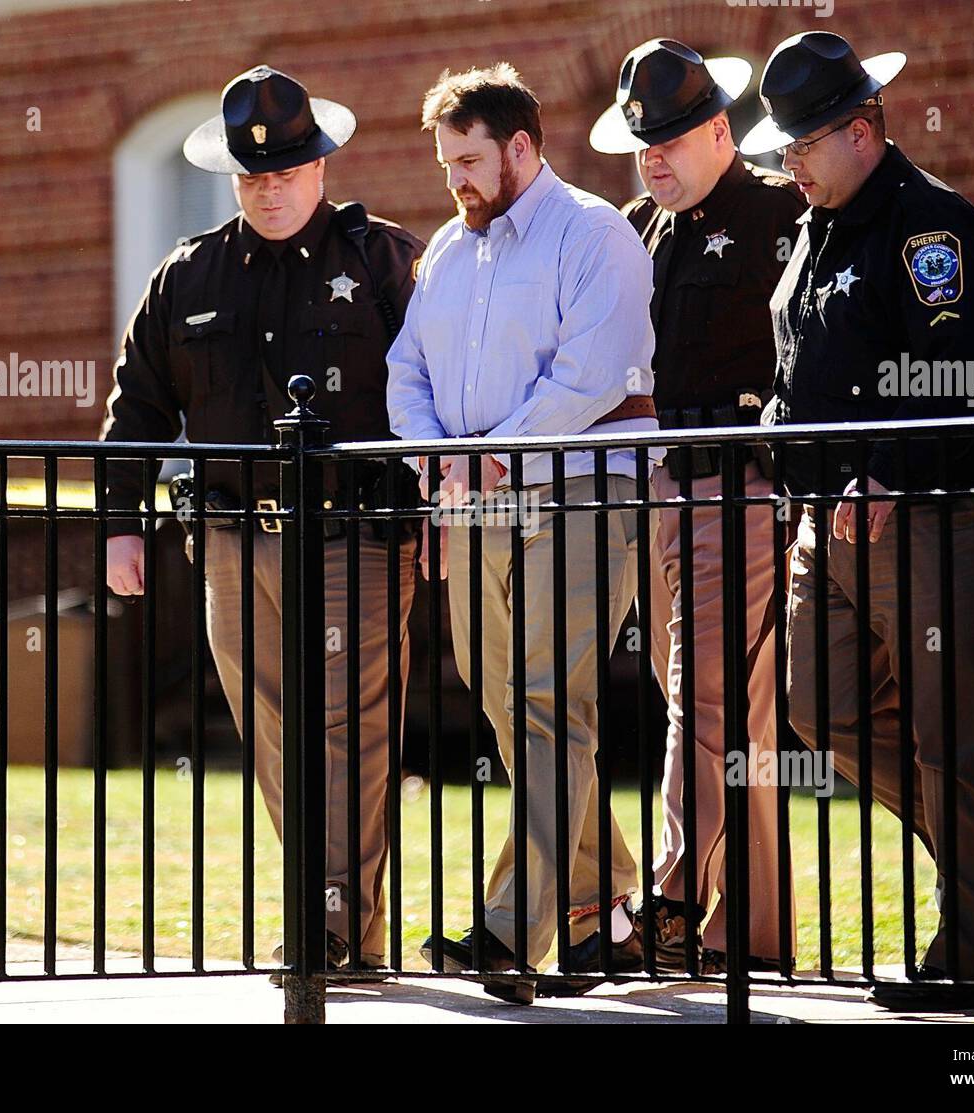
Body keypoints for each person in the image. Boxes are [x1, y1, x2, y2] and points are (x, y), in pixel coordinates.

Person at [100, 65, 425, 976]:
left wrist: (440, 504)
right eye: (252, 176)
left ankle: (329, 925)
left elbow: (436, 392)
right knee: (276, 734)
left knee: (353, 731)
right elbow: (138, 407)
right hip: (231, 544)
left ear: (320, 165)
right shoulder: (188, 276)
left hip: (357, 537)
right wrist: (121, 522)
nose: (268, 190)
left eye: (284, 172)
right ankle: (343, 928)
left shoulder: (382, 262)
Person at [739, 31, 974, 1009]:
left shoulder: (930, 227)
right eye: (784, 147)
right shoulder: (816, 228)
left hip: (935, 514)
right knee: (819, 709)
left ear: (860, 132)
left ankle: (968, 956)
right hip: (824, 521)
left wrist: (888, 471)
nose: (789, 164)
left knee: (950, 730)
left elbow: (966, 376)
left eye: (801, 145)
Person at [387, 63, 658, 1004]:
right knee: (504, 698)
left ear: (521, 148)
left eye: (468, 161)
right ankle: (602, 901)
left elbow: (594, 373)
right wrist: (440, 463)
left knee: (547, 700)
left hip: (580, 489)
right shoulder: (446, 253)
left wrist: (492, 456)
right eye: (445, 164)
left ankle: (511, 930)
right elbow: (407, 372)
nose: (455, 180)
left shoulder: (594, 232)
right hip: (476, 503)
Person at [592, 38, 806, 976]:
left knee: (704, 695)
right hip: (658, 489)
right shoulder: (635, 228)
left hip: (743, 483)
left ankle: (674, 895)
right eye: (644, 142)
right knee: (729, 718)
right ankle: (749, 935)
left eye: (673, 138)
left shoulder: (783, 212)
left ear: (721, 129)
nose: (654, 157)